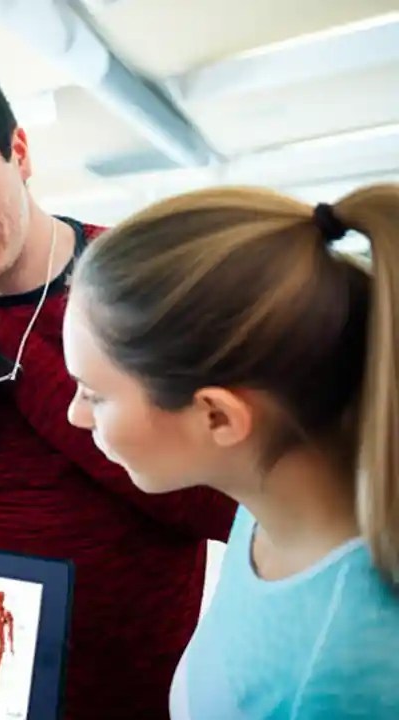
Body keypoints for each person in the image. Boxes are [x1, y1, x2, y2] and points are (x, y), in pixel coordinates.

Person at [0, 43, 237, 719]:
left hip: (152, 678)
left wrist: (27, 376)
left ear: (20, 153)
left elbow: (223, 504)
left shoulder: (142, 280)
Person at [62, 184, 399, 718]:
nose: (74, 415)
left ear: (217, 416)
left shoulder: (342, 677)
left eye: (96, 395)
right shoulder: (266, 505)